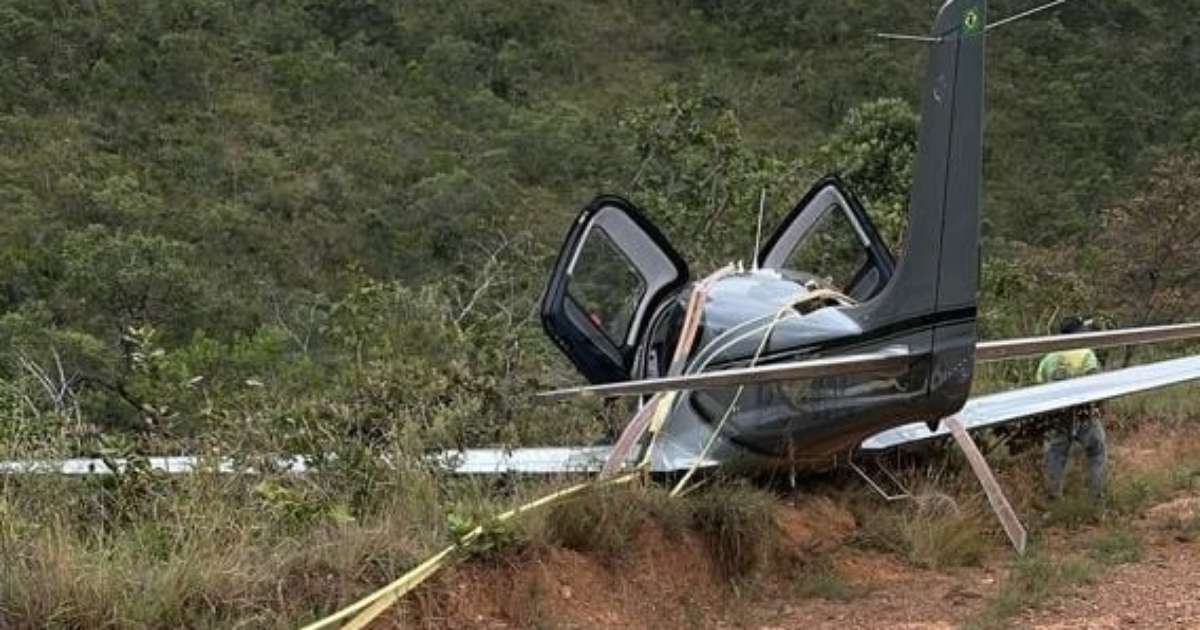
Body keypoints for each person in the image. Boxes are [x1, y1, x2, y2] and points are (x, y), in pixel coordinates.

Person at [1037, 316, 1106, 505]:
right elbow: (1096, 381)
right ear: (1076, 333)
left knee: (1056, 455)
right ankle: (1096, 498)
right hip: (1084, 413)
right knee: (1096, 452)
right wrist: (1099, 405)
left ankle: (1054, 499)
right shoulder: (1086, 354)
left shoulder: (1049, 357)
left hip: (1057, 415)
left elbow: (1040, 384)